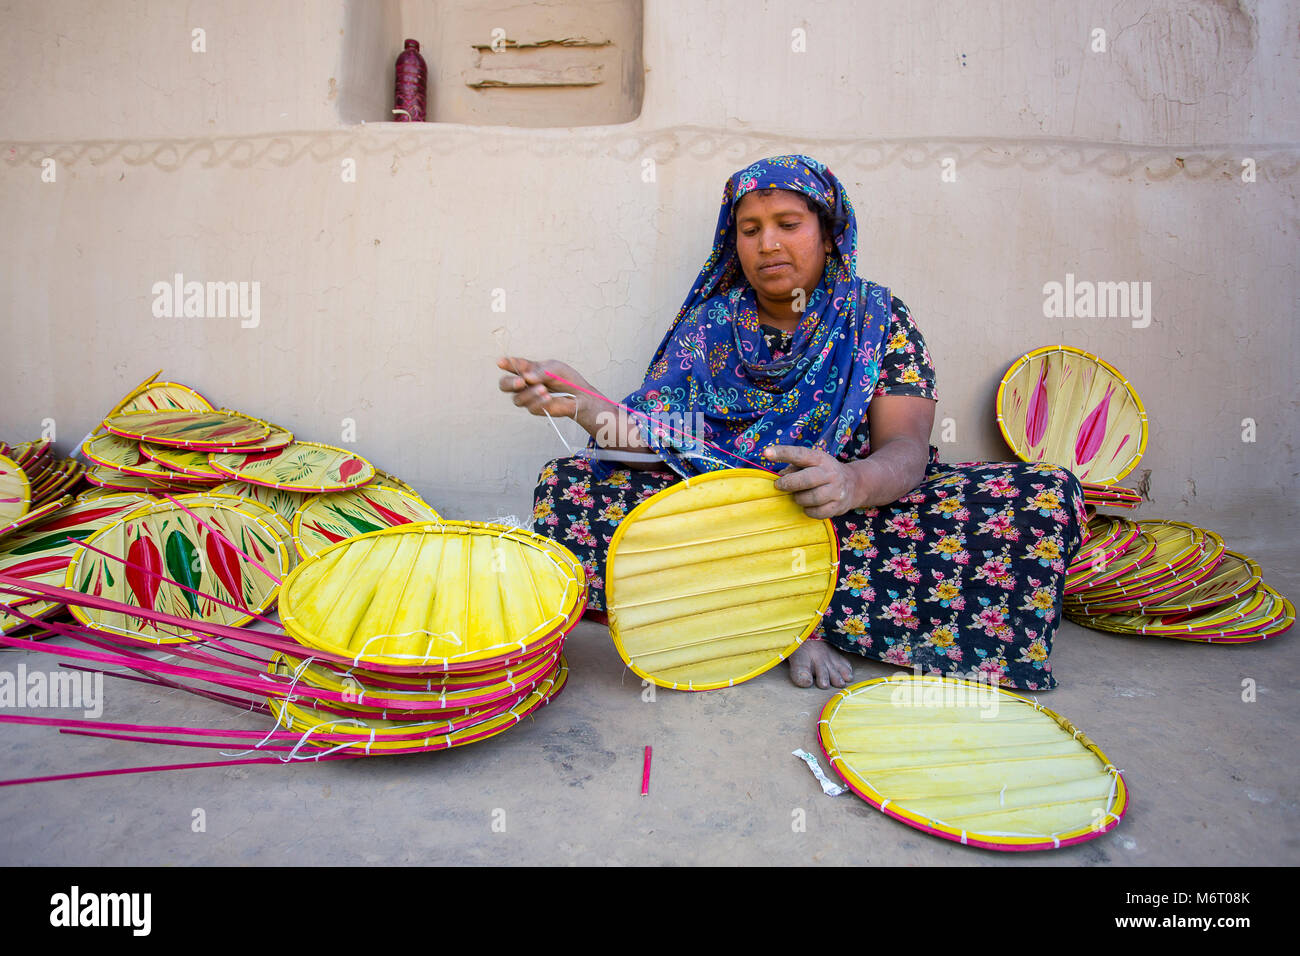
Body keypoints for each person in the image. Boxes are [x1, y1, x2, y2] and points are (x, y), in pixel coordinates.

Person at [499, 155, 1085, 691]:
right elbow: (656, 445)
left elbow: (906, 449)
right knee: (570, 486)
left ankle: (757, 614)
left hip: (845, 518)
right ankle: (789, 618)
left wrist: (851, 483)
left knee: (1039, 500)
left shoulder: (877, 318)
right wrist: (583, 403)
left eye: (787, 223)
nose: (767, 243)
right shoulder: (711, 323)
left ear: (828, 233)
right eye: (750, 230)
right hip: (722, 518)